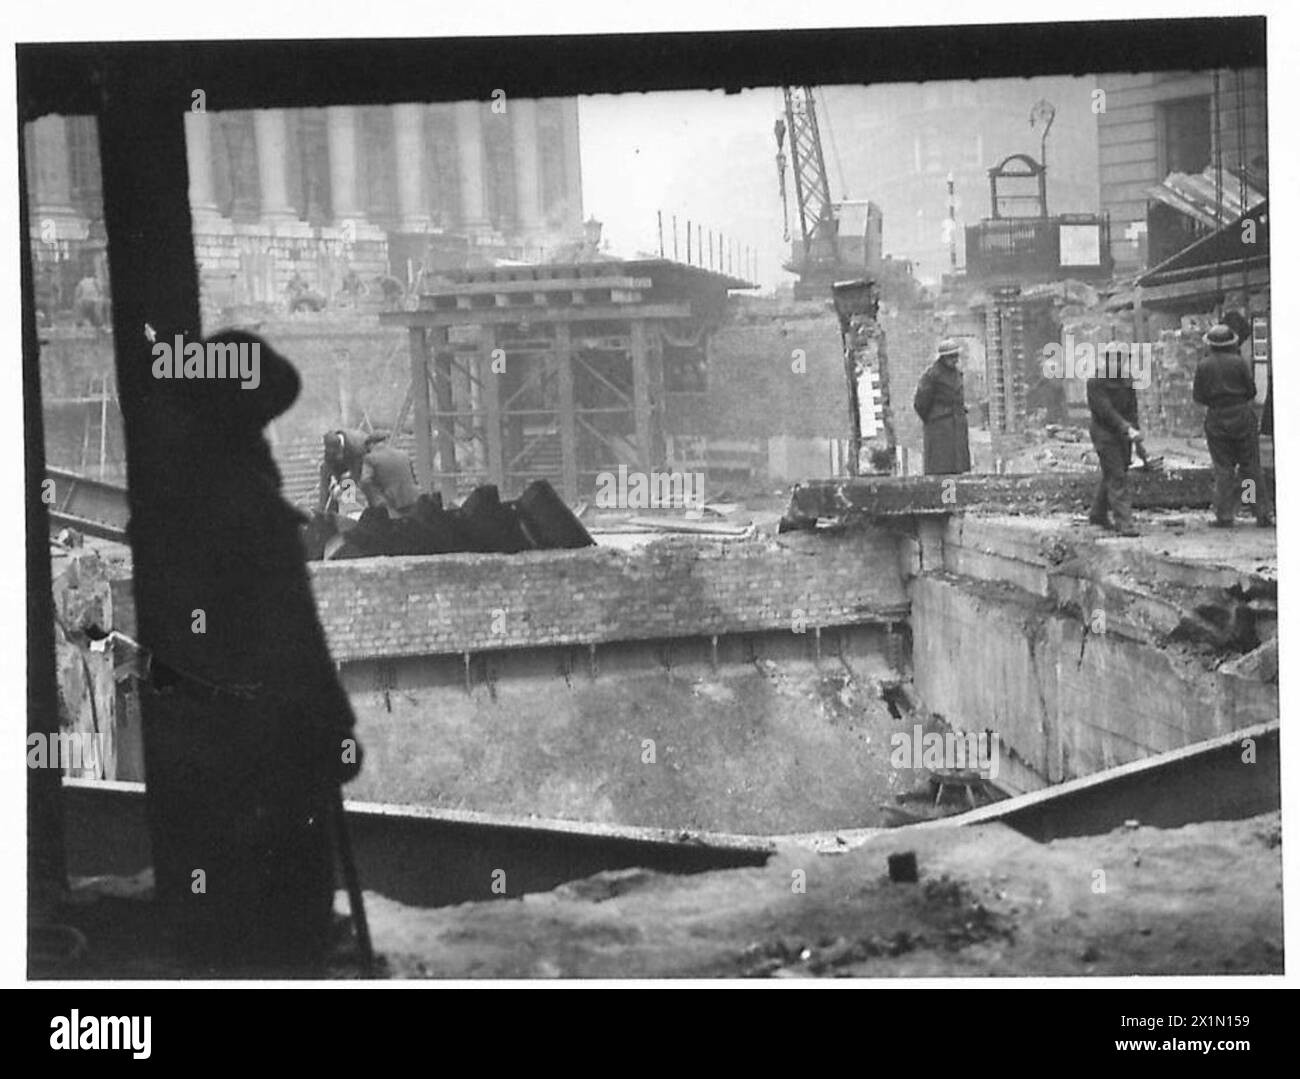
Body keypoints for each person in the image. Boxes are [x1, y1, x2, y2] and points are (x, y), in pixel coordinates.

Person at [1193, 323, 1274, 528]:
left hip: (1217, 419)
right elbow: (1251, 391)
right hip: (1241, 417)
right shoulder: (1239, 363)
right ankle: (1259, 512)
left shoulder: (1203, 365)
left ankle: (1225, 515)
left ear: (1210, 344)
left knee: (1223, 469)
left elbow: (1198, 396)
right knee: (1250, 467)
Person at [1086, 344, 1142, 536]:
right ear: (1106, 359)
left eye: (1121, 358)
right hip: (1104, 433)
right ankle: (1124, 523)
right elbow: (1105, 411)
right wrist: (1127, 428)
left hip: (1123, 434)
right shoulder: (1095, 382)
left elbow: (1132, 409)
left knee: (1114, 472)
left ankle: (1098, 514)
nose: (1117, 362)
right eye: (1113, 358)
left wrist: (1136, 433)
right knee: (1117, 476)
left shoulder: (1127, 380)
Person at [913, 338, 971, 475]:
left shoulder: (956, 373)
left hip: (957, 426)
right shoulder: (932, 376)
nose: (955, 360)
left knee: (958, 468)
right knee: (942, 467)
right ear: (944, 358)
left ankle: (954, 491)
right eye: (952, 357)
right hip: (940, 429)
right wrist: (935, 418)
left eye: (956, 356)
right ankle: (943, 493)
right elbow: (920, 403)